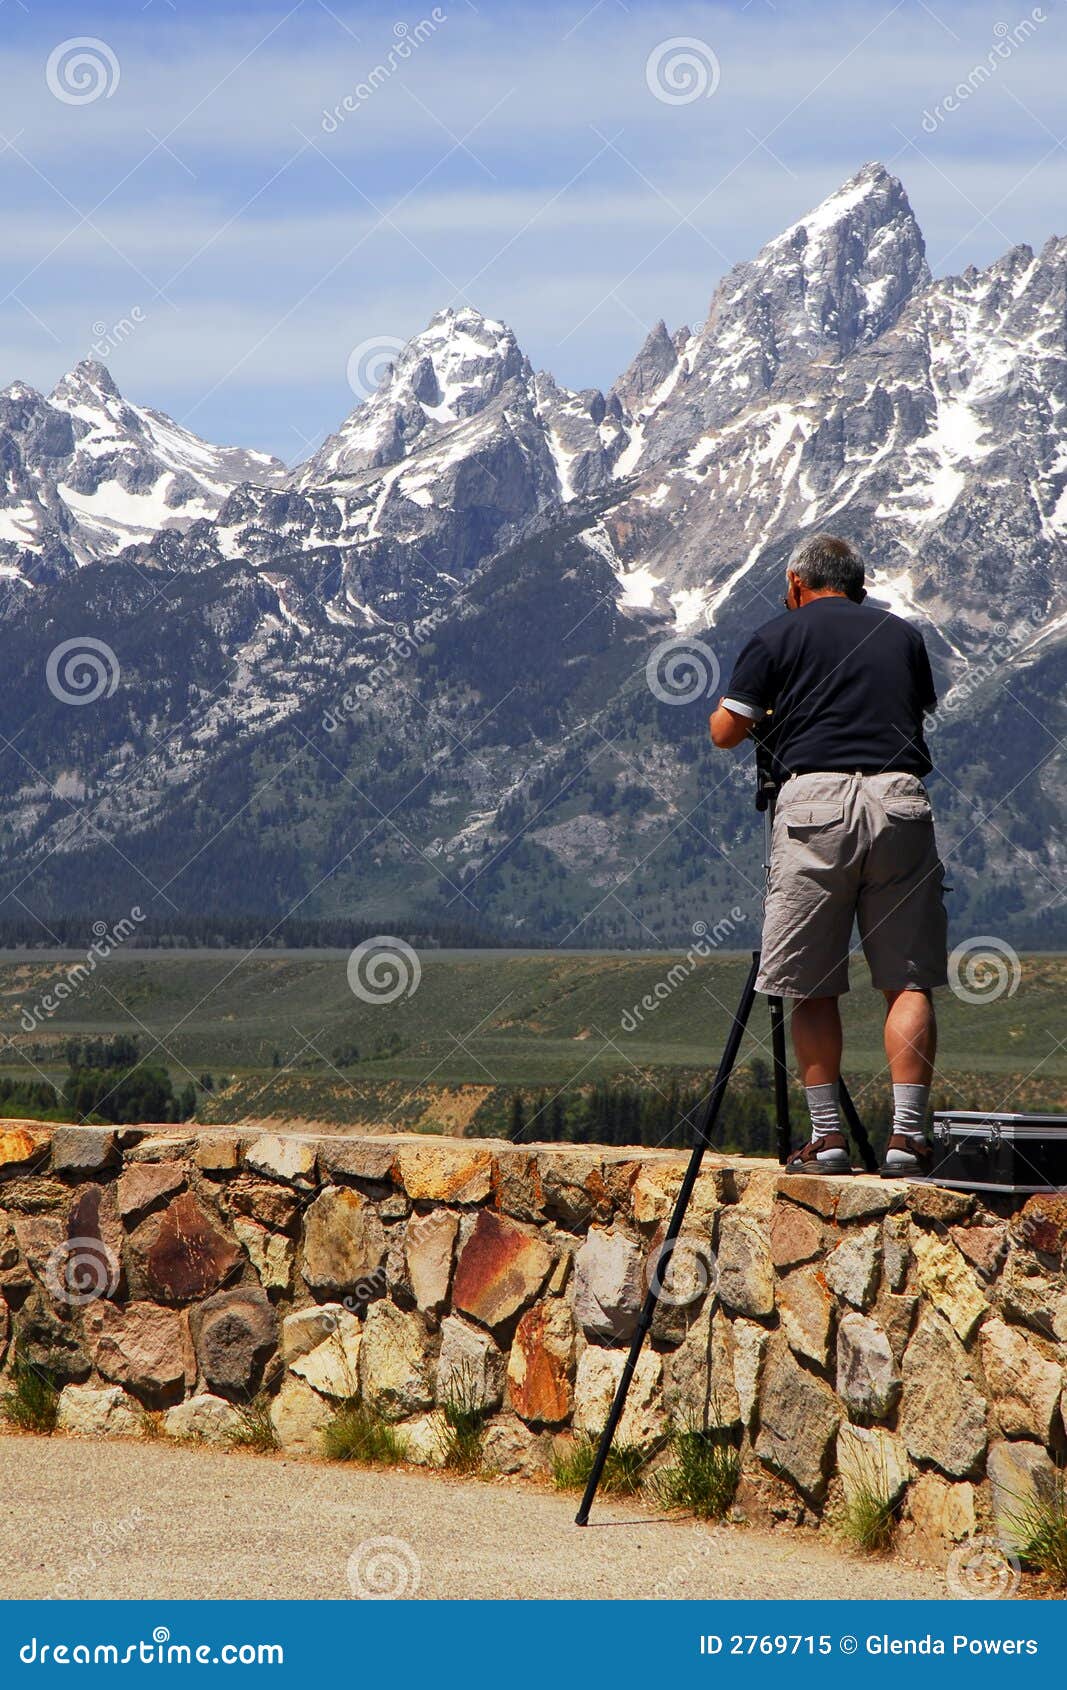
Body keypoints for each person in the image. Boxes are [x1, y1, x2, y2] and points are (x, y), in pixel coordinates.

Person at [709, 533, 947, 1177]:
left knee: (810, 981)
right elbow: (916, 706)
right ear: (857, 583)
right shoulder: (901, 635)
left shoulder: (775, 636)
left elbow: (725, 732)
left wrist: (775, 708)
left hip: (815, 803)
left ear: (795, 583)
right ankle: (907, 1138)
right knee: (908, 977)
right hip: (900, 801)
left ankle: (828, 1140)